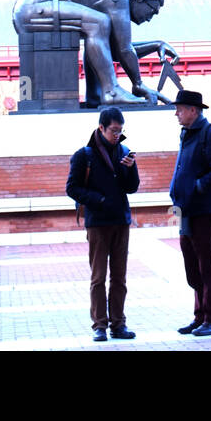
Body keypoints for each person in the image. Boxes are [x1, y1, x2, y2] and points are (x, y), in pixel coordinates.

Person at [13, 0, 178, 104]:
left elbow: (109, 51)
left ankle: (96, 94)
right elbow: (123, 50)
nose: (150, 17)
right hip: (33, 8)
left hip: (31, 8)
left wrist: (156, 45)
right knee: (98, 24)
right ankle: (111, 92)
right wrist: (138, 84)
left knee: (96, 30)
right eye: (152, 10)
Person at [66, 106, 140, 342]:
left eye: (121, 130)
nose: (117, 135)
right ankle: (100, 325)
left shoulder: (125, 151)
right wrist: (98, 200)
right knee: (98, 277)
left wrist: (129, 170)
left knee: (120, 277)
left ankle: (118, 324)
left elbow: (132, 188)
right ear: (101, 127)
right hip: (97, 223)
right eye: (114, 130)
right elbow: (72, 188)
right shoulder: (84, 155)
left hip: (121, 221)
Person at [168, 89, 211, 338]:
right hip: (186, 211)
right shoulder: (187, 133)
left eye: (180, 109)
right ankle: (200, 316)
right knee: (192, 267)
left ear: (194, 110)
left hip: (204, 211)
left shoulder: (209, 133)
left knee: (207, 267)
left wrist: (196, 187)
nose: (176, 113)